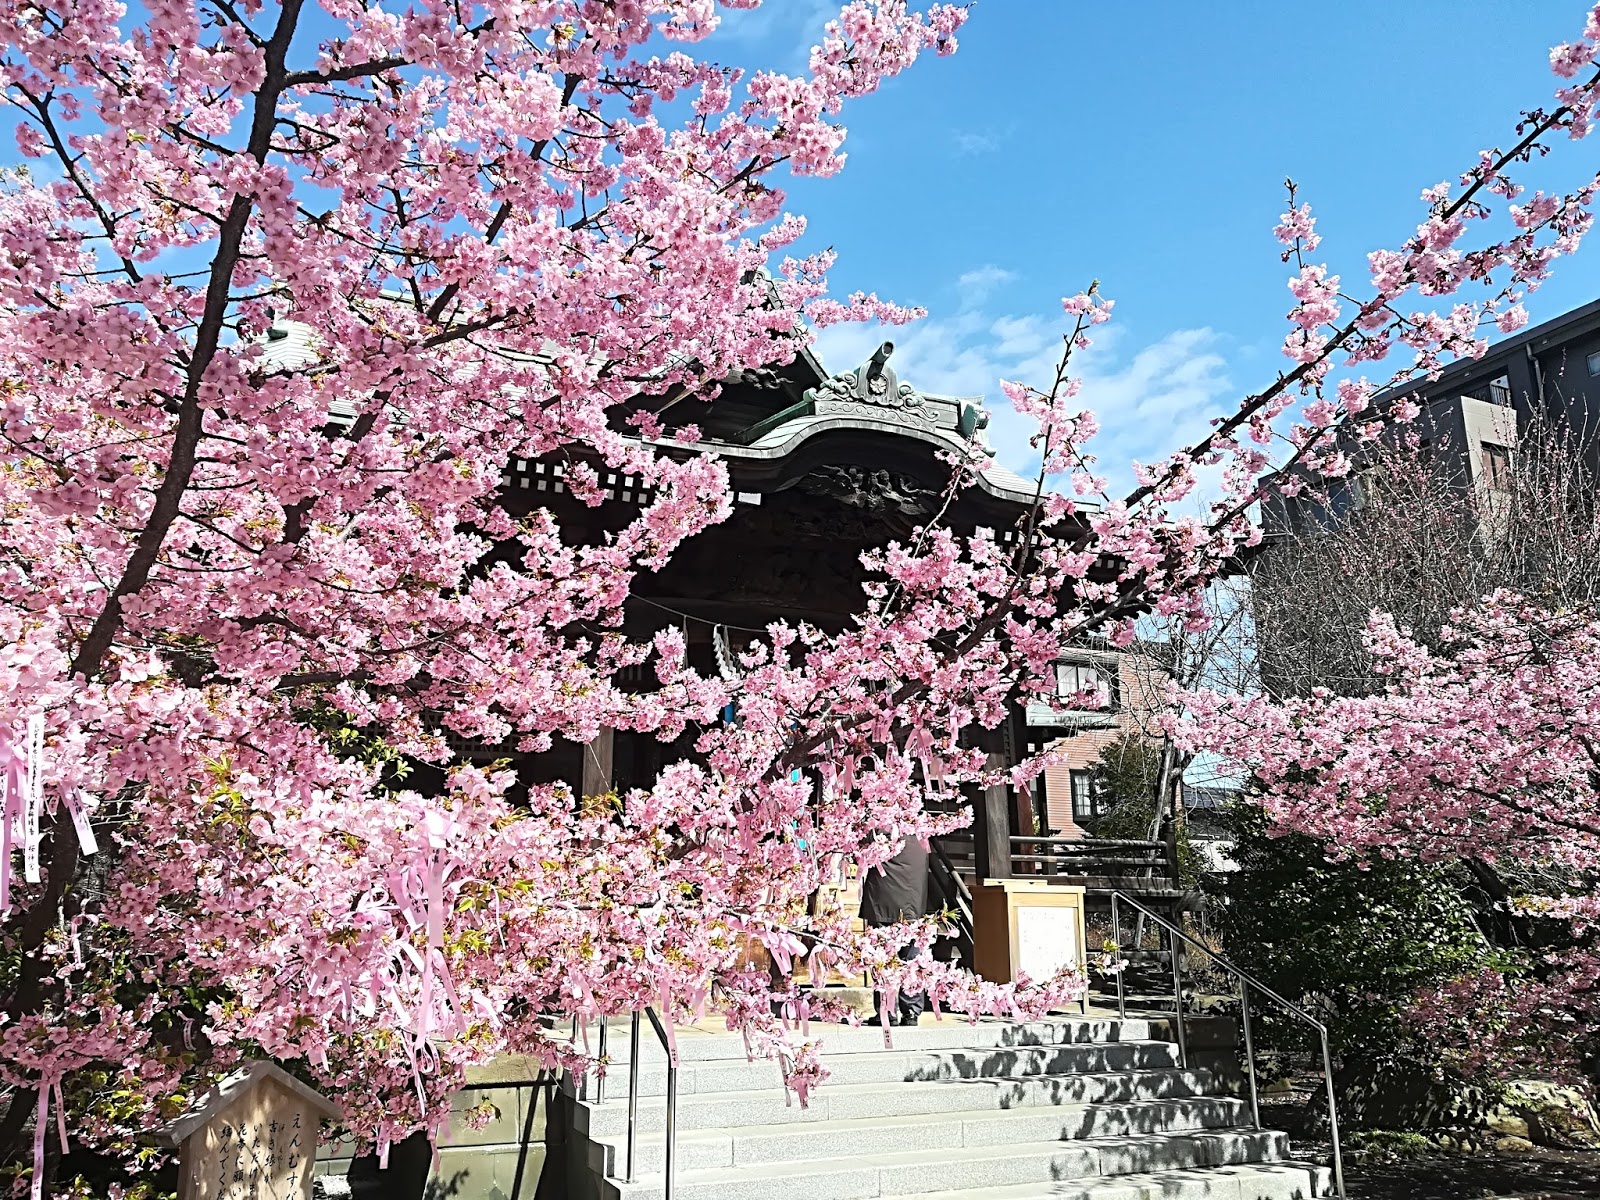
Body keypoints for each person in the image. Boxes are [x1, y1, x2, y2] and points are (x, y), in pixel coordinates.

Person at [858, 838, 929, 1026]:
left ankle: (886, 1010)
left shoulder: (881, 826)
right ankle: (911, 1011)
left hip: (883, 899)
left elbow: (861, 848)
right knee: (911, 957)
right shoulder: (920, 832)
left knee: (882, 957)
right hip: (913, 901)